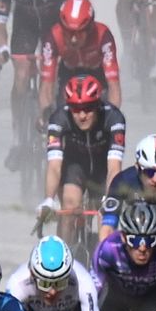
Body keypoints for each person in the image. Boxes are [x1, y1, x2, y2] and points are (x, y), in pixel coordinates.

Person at [40, 75, 128, 256]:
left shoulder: (114, 117)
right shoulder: (58, 118)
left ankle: (103, 265)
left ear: (97, 105)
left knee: (106, 219)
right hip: (75, 166)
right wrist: (49, 199)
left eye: (87, 109)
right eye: (76, 109)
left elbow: (114, 167)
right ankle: (61, 258)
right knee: (70, 205)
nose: (81, 115)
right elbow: (55, 166)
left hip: (103, 168)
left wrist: (110, 199)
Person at [0, 0, 70, 121]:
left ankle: (47, 121)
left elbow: (67, 23)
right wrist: (2, 47)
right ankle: (17, 127)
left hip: (51, 27)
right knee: (21, 76)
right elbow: (0, 22)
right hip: (24, 27)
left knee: (49, 75)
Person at [36, 0, 123, 116]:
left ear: (90, 29)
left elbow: (114, 85)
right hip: (68, 73)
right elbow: (46, 86)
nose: (73, 40)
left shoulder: (103, 36)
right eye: (68, 33)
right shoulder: (53, 37)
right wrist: (46, 115)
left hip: (97, 75)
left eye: (79, 33)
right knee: (61, 114)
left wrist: (113, 117)